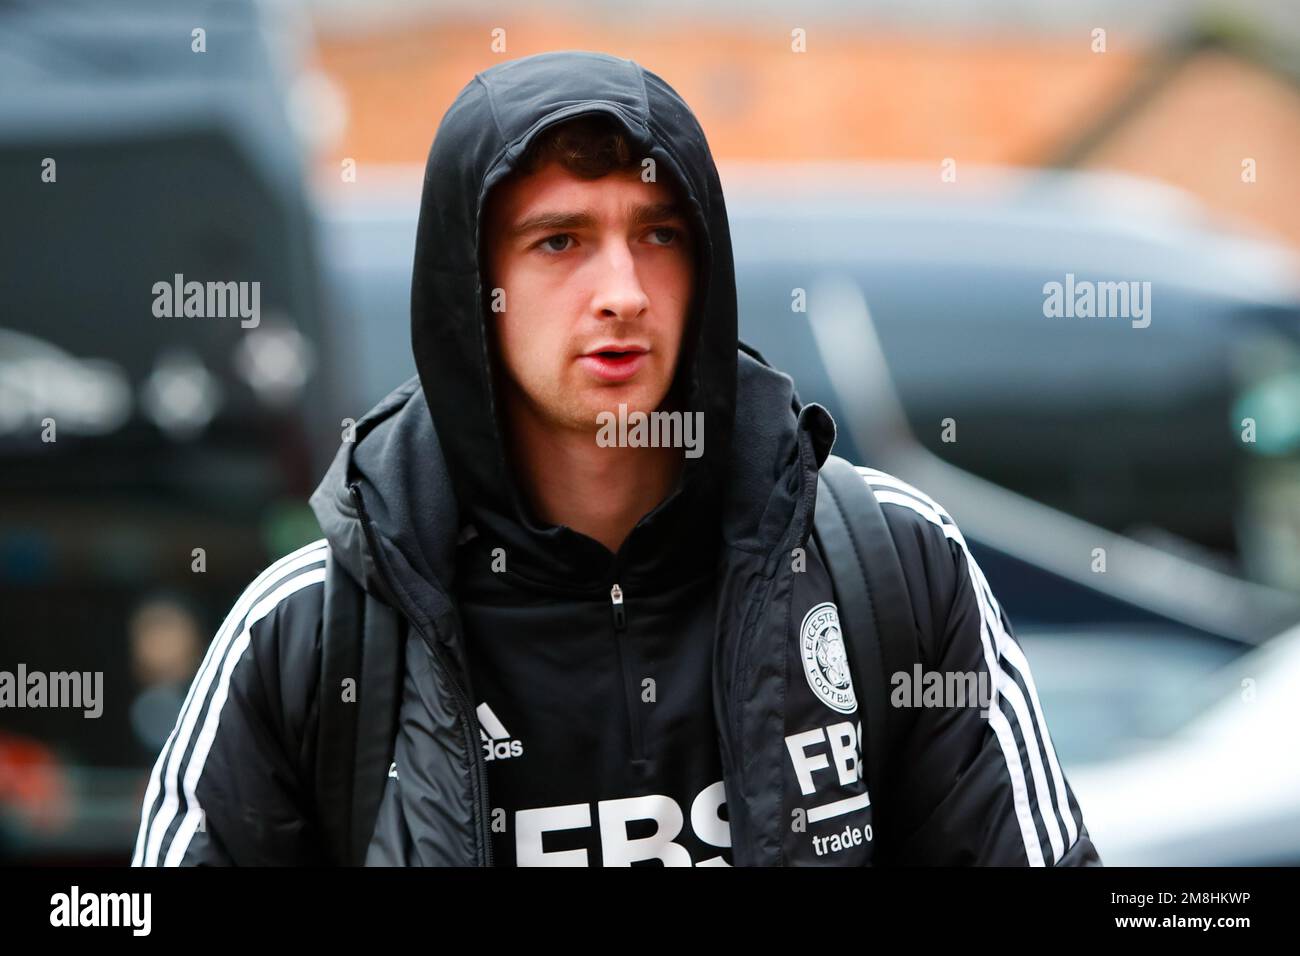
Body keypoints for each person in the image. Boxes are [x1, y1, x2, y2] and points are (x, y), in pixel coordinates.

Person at [132, 50, 1100, 867]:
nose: (623, 290)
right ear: (472, 290)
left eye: (658, 235)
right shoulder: (313, 628)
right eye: (559, 241)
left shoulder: (886, 563)